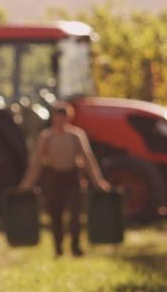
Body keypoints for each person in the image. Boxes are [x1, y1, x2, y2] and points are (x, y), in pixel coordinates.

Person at [17, 102, 113, 257]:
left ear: (69, 118)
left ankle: (75, 247)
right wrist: (27, 184)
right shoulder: (46, 137)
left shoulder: (76, 135)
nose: (60, 121)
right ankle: (58, 248)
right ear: (54, 117)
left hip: (73, 178)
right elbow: (37, 162)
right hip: (54, 179)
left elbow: (88, 159)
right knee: (56, 216)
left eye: (63, 117)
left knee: (75, 216)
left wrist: (98, 182)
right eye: (58, 117)